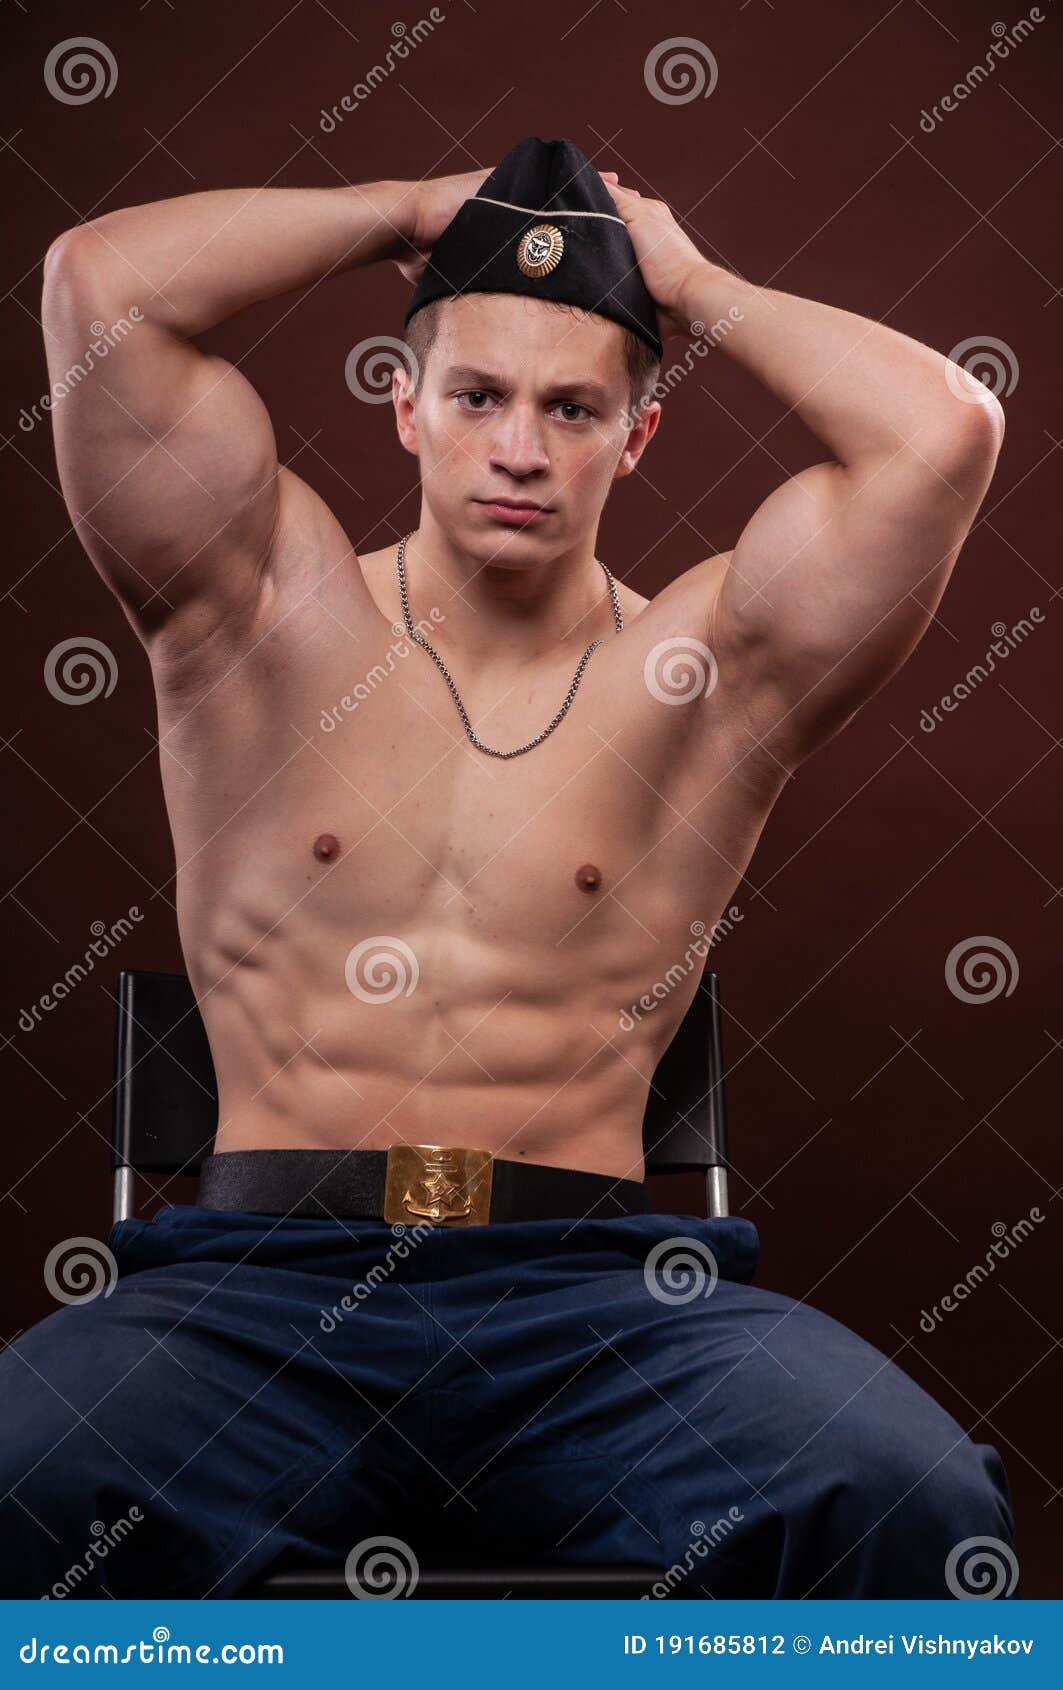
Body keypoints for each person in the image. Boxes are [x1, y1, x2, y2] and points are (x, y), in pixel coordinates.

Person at [1, 137, 1016, 1600]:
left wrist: (689, 281)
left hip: (593, 1306)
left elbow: (943, 434)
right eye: (478, 396)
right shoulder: (254, 606)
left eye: (573, 407)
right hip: (253, 1294)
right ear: (404, 408)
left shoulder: (705, 671)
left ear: (636, 437)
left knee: (912, 1501)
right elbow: (98, 285)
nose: (522, 447)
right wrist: (407, 213)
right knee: (25, 1478)